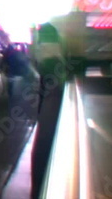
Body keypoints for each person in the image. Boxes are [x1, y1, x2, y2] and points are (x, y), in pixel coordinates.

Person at [30, 23, 67, 199]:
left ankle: (39, 190)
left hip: (51, 105)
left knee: (43, 145)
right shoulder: (57, 65)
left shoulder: (49, 66)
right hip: (53, 98)